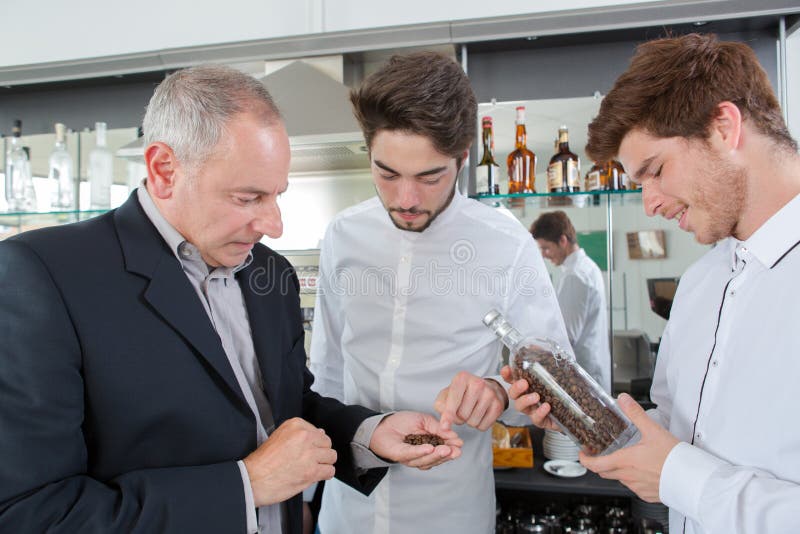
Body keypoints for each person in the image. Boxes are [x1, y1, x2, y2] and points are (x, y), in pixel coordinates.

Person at [0, 65, 464, 534]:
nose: (274, 225)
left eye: (277, 195)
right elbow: (31, 513)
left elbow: (284, 408)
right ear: (164, 170)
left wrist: (367, 433)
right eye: (248, 198)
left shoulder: (270, 272)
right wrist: (247, 486)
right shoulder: (43, 276)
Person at [504, 33, 800, 533]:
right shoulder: (701, 282)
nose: (651, 204)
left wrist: (681, 477)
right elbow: (674, 426)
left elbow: (676, 467)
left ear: (724, 127)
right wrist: (582, 416)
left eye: (656, 171)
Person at [309, 51, 571, 533]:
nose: (406, 199)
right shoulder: (343, 235)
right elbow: (326, 370)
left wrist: (498, 391)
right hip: (347, 511)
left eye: (429, 177)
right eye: (387, 173)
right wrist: (305, 495)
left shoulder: (507, 243)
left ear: (463, 158)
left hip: (453, 511)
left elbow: (558, 377)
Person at [530, 210, 611, 392]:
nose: (543, 255)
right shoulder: (587, 267)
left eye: (546, 248)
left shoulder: (575, 276)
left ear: (563, 240)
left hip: (582, 378)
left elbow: (566, 336)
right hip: (591, 372)